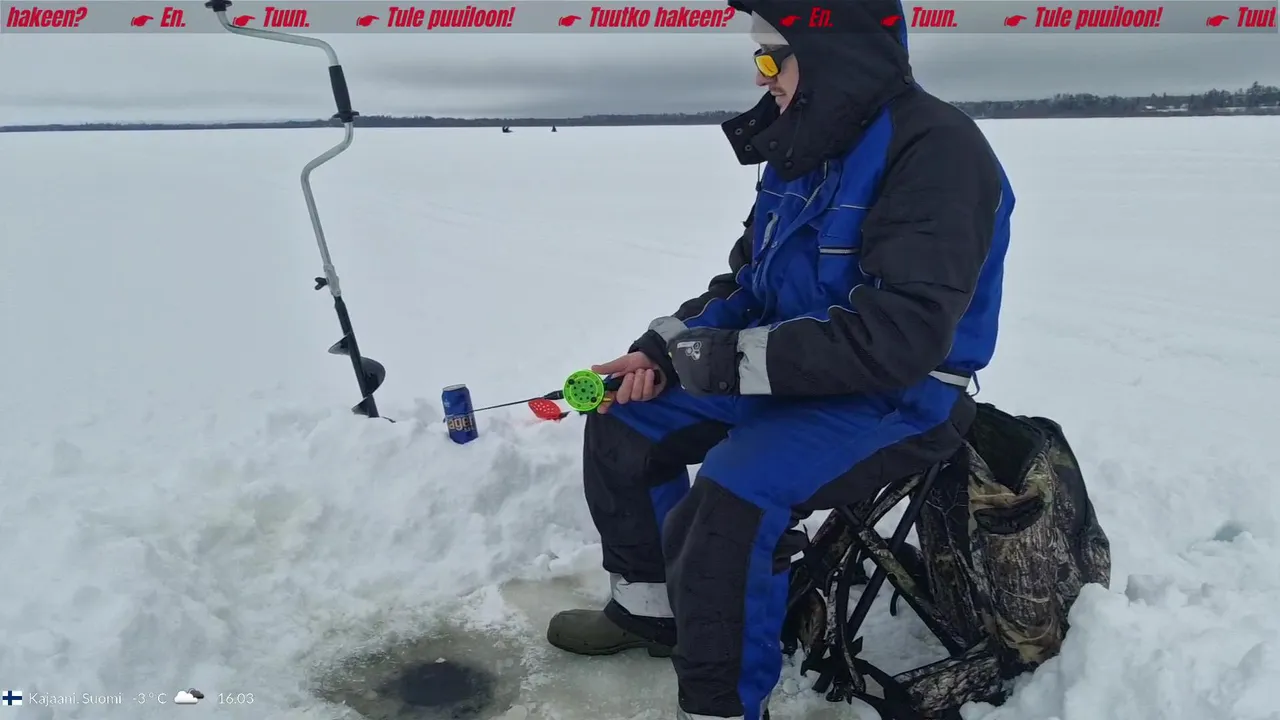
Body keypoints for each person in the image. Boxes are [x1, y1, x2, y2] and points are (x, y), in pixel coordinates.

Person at [545, 0, 1015, 718]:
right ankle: (650, 611)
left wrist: (725, 361)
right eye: (757, 58)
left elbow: (900, 335)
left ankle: (722, 705)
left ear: (833, 53)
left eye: (772, 57)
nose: (761, 76)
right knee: (622, 422)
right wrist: (661, 352)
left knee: (730, 500)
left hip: (899, 396)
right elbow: (749, 284)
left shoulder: (937, 150)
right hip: (781, 370)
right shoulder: (805, 145)